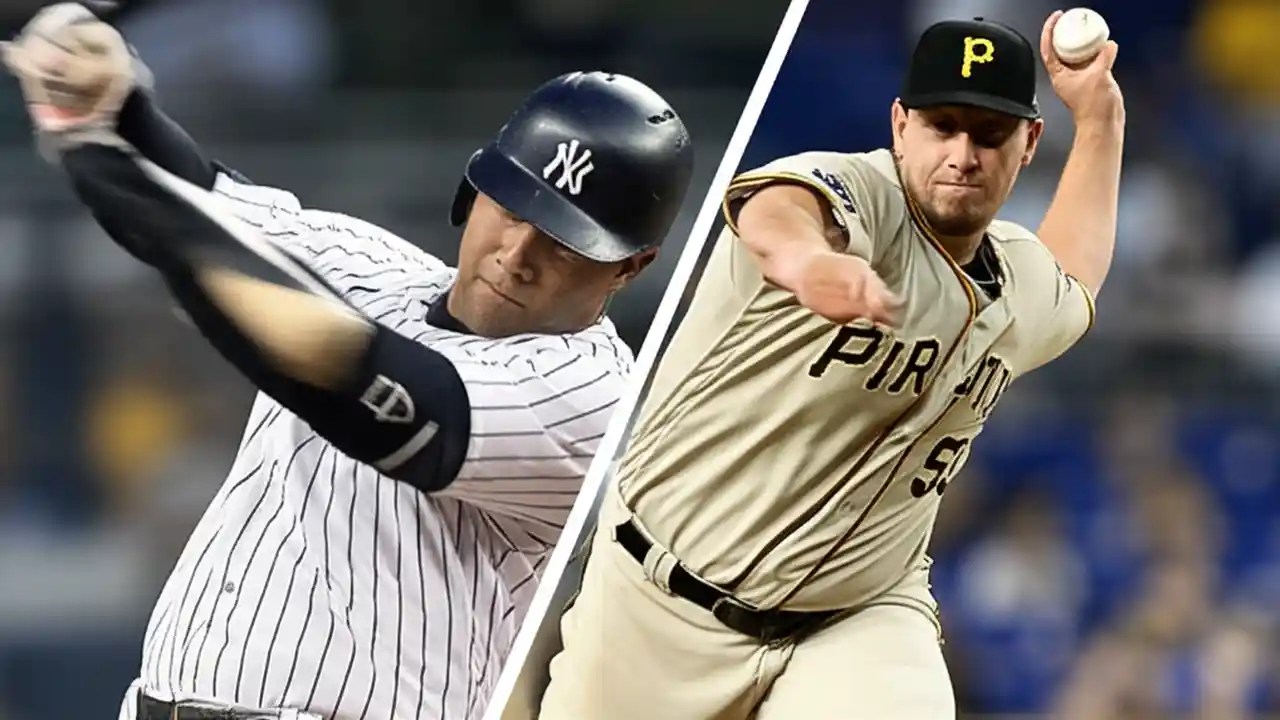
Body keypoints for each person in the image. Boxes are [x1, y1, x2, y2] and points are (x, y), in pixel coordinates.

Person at [0, 4, 694, 719]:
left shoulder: (594, 398)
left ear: (632, 266)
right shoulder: (376, 265)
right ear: (476, 186)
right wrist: (115, 109)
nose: (517, 257)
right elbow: (204, 199)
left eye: (563, 240)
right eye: (515, 208)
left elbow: (356, 386)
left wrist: (91, 152)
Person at [538, 12, 1122, 719]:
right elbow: (777, 208)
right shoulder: (863, 193)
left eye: (989, 133)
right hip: (656, 602)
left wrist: (1100, 122)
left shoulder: (1019, 285)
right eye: (943, 125)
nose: (963, 153)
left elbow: (1075, 277)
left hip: (859, 618)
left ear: (1028, 142)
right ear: (901, 124)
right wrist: (809, 261)